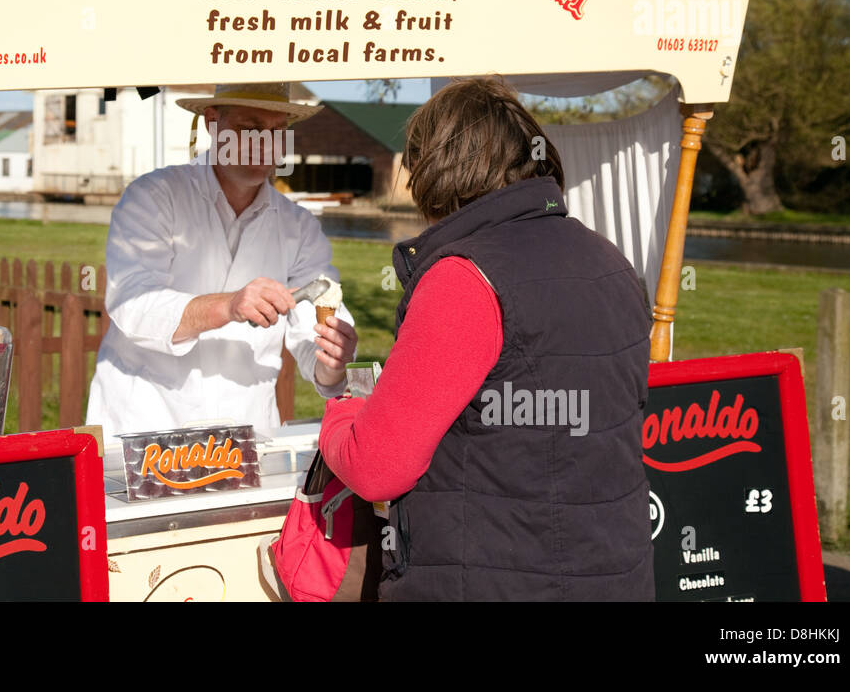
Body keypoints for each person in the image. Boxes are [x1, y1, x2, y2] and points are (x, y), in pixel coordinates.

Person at [319, 77, 654, 600]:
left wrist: (342, 414)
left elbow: (377, 466)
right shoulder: (610, 261)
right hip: (615, 574)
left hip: (490, 580)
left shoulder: (464, 278)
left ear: (437, 171)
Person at [85, 83, 358, 438]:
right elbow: (133, 306)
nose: (265, 144)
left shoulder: (299, 226)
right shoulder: (153, 197)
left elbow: (316, 340)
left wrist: (333, 362)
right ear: (212, 123)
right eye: (250, 128)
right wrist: (228, 306)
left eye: (277, 131)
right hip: (145, 428)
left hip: (246, 435)